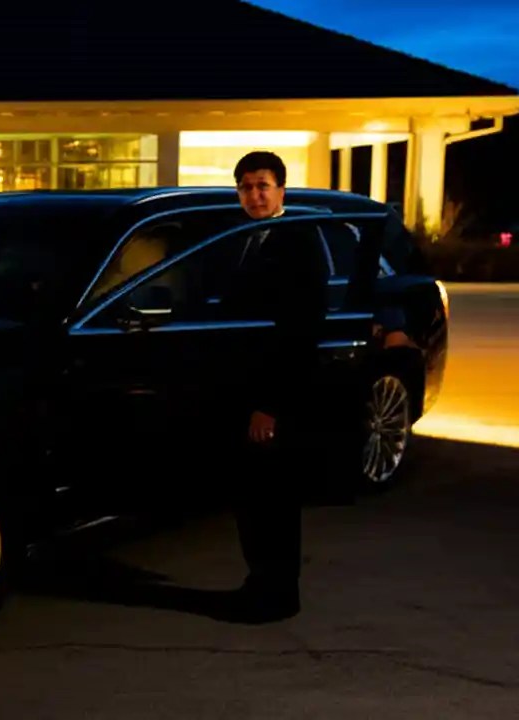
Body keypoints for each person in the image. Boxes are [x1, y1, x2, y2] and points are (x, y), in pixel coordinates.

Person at [215, 150, 329, 623]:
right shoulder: (236, 238)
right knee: (250, 497)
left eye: (263, 186)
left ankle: (281, 596)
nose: (254, 195)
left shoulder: (299, 242)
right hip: (240, 390)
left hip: (276, 395)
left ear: (282, 190)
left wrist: (270, 406)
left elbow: (300, 330)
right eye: (246, 186)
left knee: (276, 501)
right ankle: (257, 581)